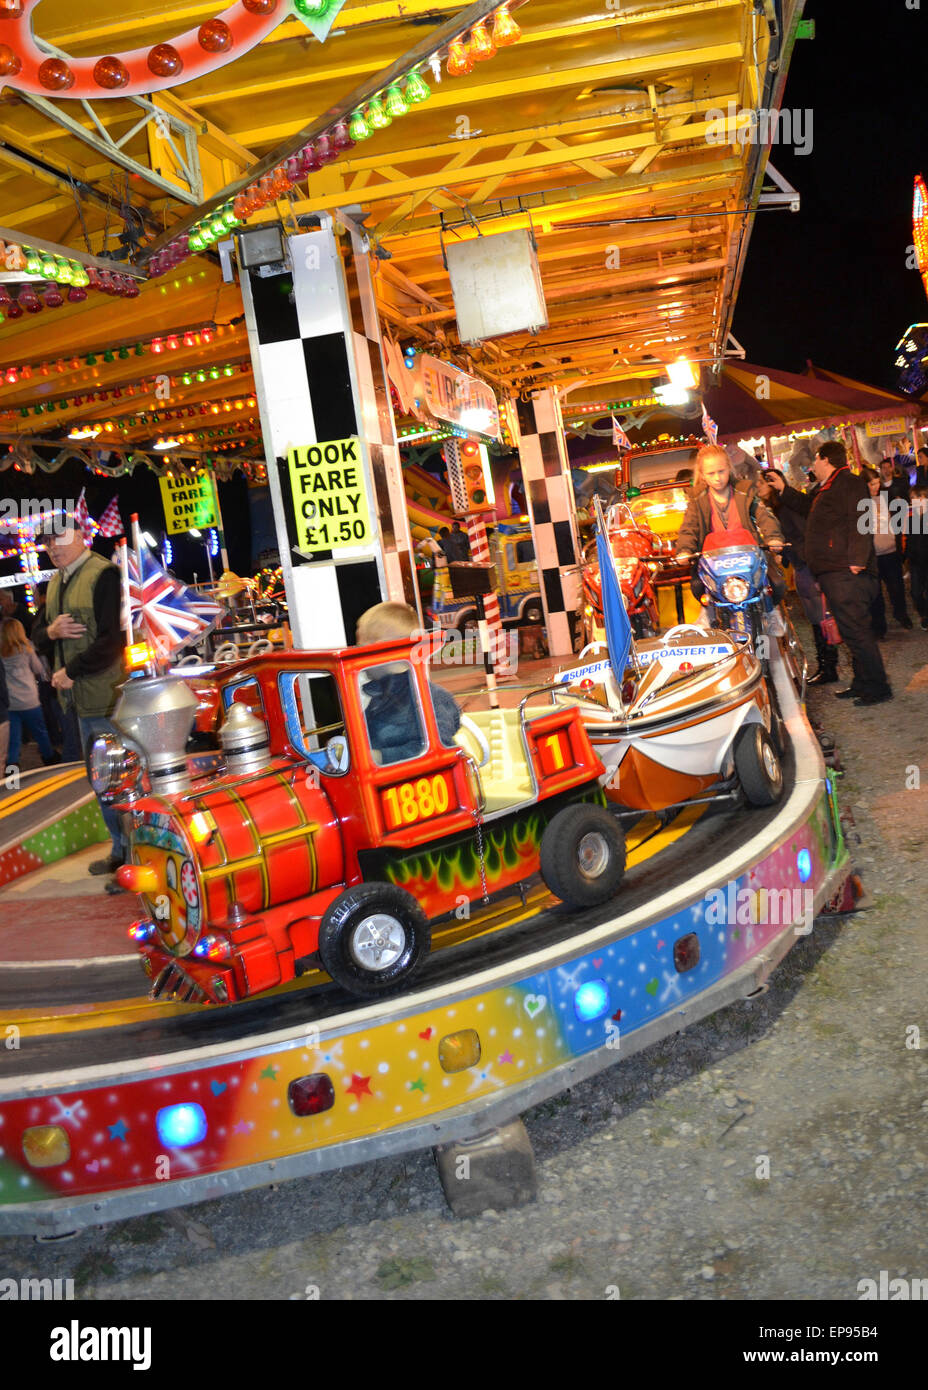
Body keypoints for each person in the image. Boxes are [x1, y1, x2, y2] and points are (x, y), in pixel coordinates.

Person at [30, 513, 127, 879]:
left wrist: (71, 671)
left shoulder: (104, 574)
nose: (52, 546)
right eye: (47, 542)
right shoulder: (55, 582)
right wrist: (51, 631)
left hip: (106, 697)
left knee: (116, 778)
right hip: (77, 702)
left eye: (58, 538)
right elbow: (36, 635)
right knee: (102, 780)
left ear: (80, 535)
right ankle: (121, 851)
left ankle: (130, 854)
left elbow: (114, 640)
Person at [765, 442, 891, 706]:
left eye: (815, 462)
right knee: (850, 631)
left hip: (846, 572)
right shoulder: (830, 486)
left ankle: (878, 687)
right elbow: (806, 505)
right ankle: (862, 683)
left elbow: (862, 519)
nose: (813, 467)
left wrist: (858, 559)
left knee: (857, 631)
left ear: (825, 460)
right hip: (834, 571)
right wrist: (784, 489)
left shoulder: (849, 482)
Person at [755, 468, 838, 684]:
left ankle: (829, 667)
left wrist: (787, 553)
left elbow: (802, 536)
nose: (757, 488)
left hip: (807, 567)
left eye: (761, 484)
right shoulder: (776, 508)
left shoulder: (786, 507)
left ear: (773, 484)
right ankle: (826, 666)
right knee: (816, 618)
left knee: (820, 618)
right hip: (803, 566)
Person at [675, 445, 785, 602]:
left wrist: (773, 538)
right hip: (713, 562)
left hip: (749, 558)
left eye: (721, 471)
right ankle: (710, 618)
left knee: (777, 584)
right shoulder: (696, 499)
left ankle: (773, 618)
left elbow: (764, 515)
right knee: (698, 587)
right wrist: (684, 550)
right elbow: (689, 528)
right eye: (711, 473)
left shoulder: (745, 490)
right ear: (703, 475)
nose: (717, 478)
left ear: (729, 468)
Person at [355, 601, 461, 764]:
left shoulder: (431, 699)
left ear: (380, 650)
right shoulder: (378, 698)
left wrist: (380, 757)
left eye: (361, 648)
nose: (357, 656)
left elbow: (439, 751)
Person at [0, 619, 60, 768]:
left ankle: (12, 770)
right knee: (40, 732)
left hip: (11, 703)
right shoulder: (27, 648)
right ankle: (50, 759)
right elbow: (38, 669)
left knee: (14, 739)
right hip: (29, 700)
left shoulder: (1, 651)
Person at [862, 467, 911, 634]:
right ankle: (879, 626)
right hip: (872, 555)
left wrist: (900, 546)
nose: (875, 487)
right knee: (875, 595)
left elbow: (899, 520)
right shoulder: (860, 502)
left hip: (891, 551)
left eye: (876, 483)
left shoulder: (887, 497)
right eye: (871, 484)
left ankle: (902, 615)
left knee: (896, 588)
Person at [908, 485, 928, 630]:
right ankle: (923, 614)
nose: (915, 501)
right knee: (915, 592)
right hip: (915, 562)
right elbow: (909, 541)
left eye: (919, 497)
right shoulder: (911, 518)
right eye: (913, 498)